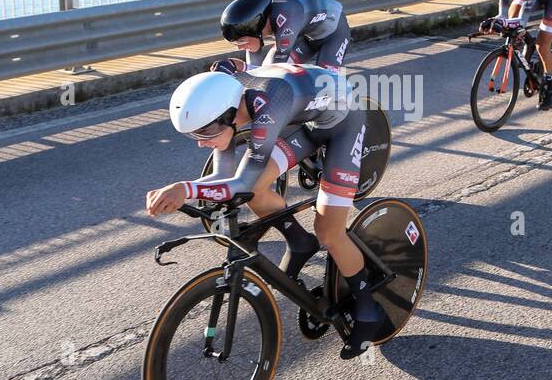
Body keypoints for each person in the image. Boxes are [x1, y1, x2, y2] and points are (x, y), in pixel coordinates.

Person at [145, 65, 382, 360]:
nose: (202, 142)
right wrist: (184, 189)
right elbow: (225, 176)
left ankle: (367, 308)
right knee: (255, 187)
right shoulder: (226, 105)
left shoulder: (268, 103)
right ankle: (298, 240)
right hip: (305, 120)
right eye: (193, 134)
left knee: (329, 231)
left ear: (230, 115)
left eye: (206, 131)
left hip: (343, 122)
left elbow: (238, 181)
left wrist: (186, 189)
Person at [211, 0, 350, 76]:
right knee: (267, 70)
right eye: (236, 44)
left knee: (325, 83)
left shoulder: (286, 15)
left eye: (241, 41)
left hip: (334, 33)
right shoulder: (260, 19)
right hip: (306, 35)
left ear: (256, 29)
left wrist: (238, 67)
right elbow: (256, 72)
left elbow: (272, 73)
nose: (240, 47)